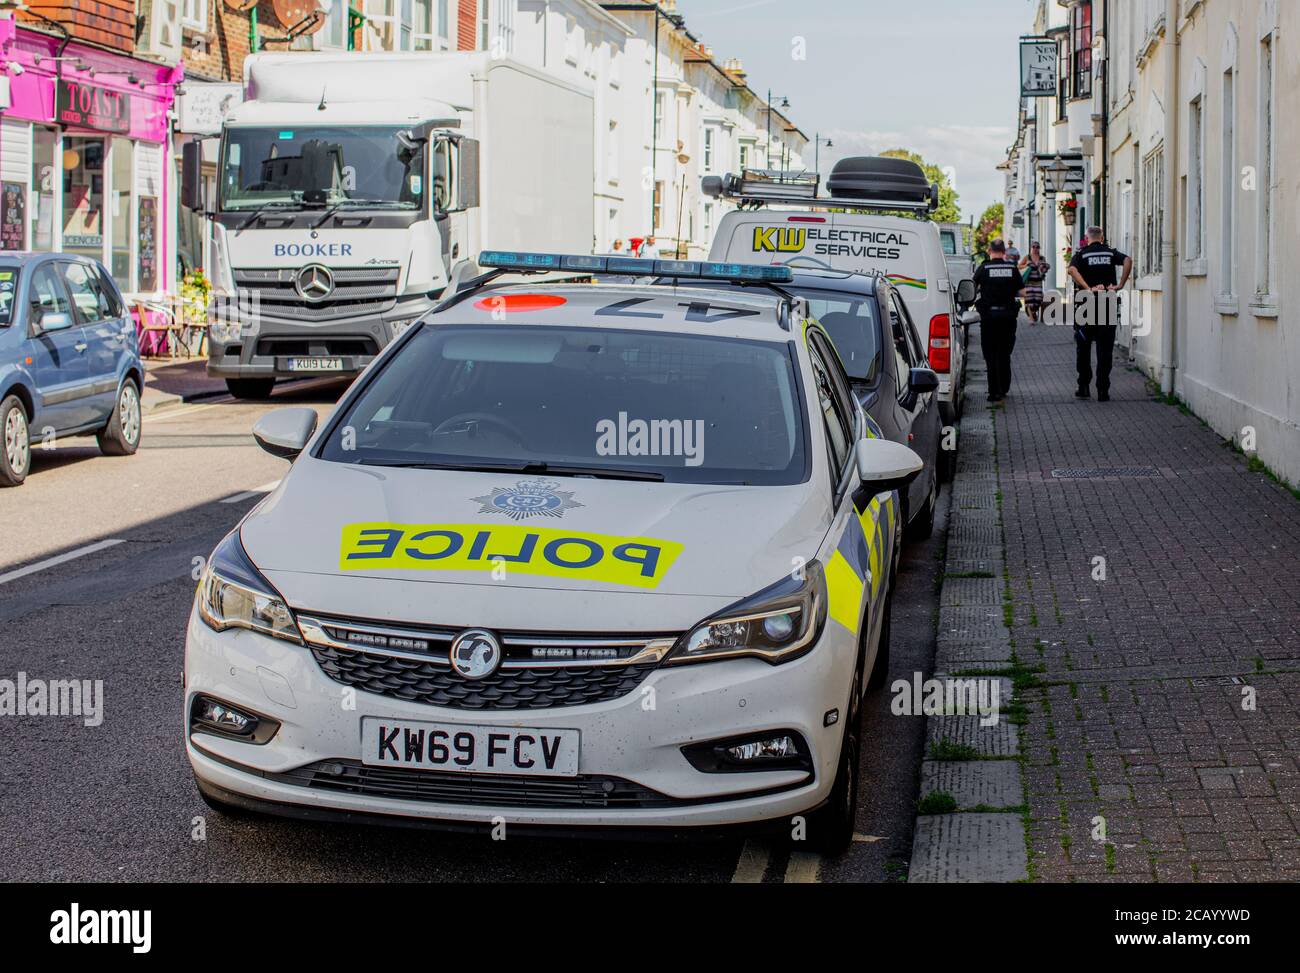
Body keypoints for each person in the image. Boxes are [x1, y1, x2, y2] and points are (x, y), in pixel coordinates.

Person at [1068, 225, 1133, 402]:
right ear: (1102, 237)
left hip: (1086, 306)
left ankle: (1084, 387)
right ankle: (1103, 390)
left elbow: (1072, 270)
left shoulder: (1081, 254)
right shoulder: (1110, 252)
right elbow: (1128, 260)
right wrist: (1120, 284)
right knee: (1105, 349)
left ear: (1086, 238)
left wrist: (1087, 287)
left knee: (1083, 347)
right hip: (1107, 304)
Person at [971, 239, 1024, 403]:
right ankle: (1004, 388)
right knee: (1004, 353)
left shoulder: (984, 268)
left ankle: (993, 391)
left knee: (990, 354)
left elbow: (972, 288)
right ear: (1004, 252)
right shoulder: (1012, 268)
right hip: (1008, 318)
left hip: (989, 319)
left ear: (989, 250)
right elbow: (1021, 291)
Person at [1018, 241, 1051, 324]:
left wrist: (1045, 268)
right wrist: (1026, 265)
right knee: (1029, 300)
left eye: (1037, 247)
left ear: (1039, 248)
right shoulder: (1027, 257)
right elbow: (1018, 266)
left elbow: (1044, 269)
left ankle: (1032, 312)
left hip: (1038, 282)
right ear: (1031, 248)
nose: (1035, 248)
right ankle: (1031, 319)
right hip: (1028, 282)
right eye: (1033, 247)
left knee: (1038, 300)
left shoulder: (1042, 258)